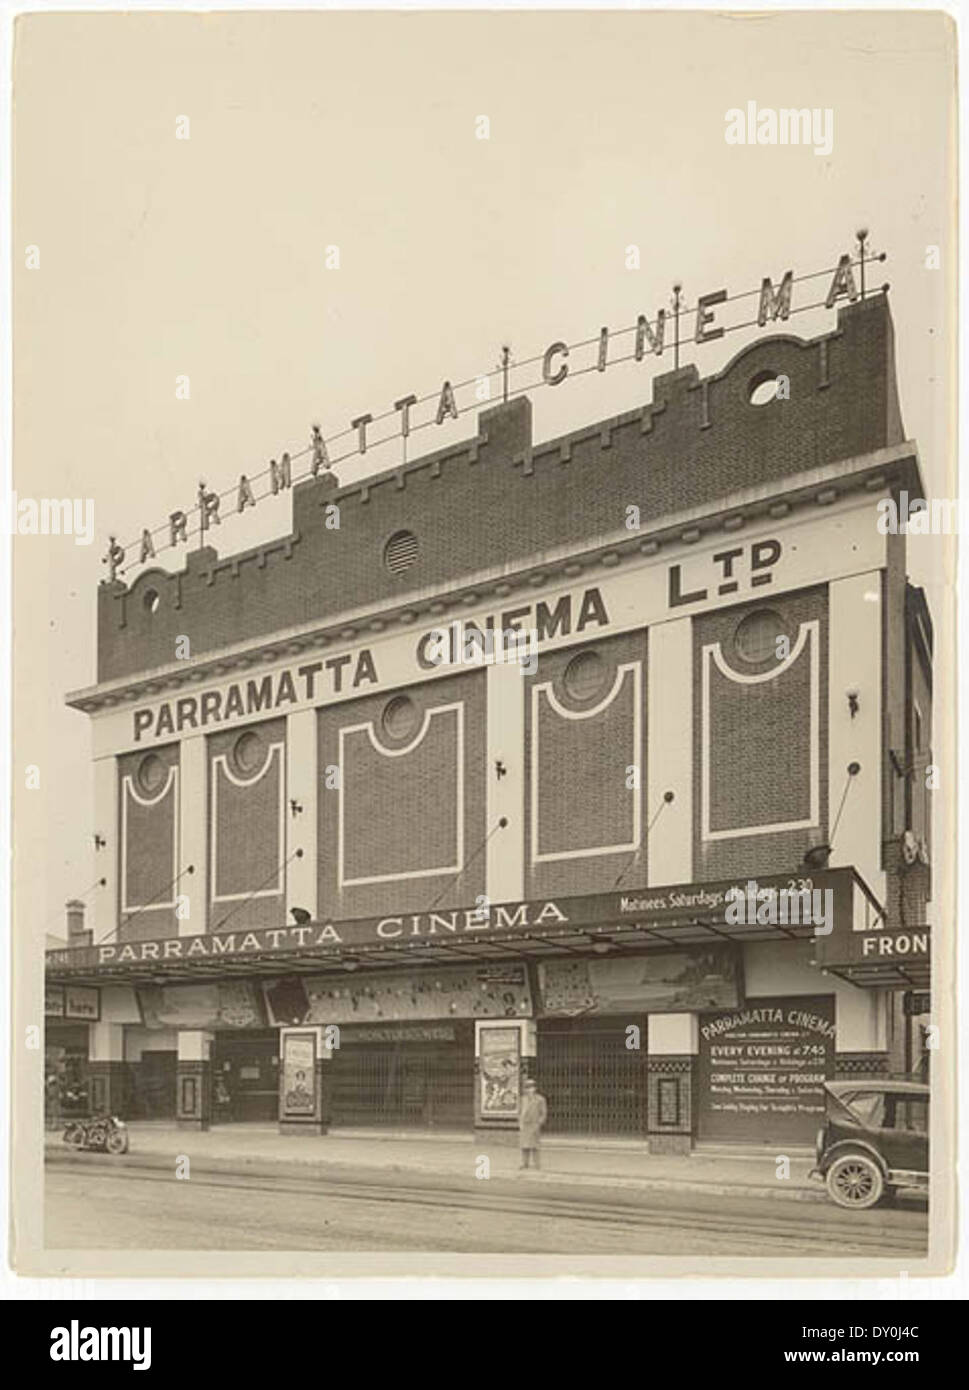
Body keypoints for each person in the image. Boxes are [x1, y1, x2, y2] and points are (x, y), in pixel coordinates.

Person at [519, 1078, 548, 1170]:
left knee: (535, 1145)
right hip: (525, 1124)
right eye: (527, 1088)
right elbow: (520, 1111)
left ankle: (537, 1164)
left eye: (531, 1087)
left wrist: (540, 1122)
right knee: (524, 1145)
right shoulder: (523, 1099)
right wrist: (520, 1122)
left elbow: (543, 1112)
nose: (530, 1090)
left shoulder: (540, 1099)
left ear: (535, 1088)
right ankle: (525, 1163)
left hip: (534, 1124)